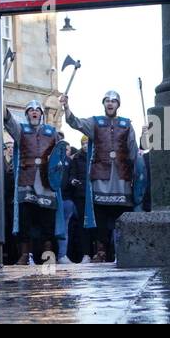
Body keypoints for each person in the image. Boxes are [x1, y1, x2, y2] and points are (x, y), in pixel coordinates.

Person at [64, 90, 139, 262]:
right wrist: (67, 107)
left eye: (114, 101)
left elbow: (133, 151)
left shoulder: (126, 124)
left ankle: (122, 250)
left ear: (118, 104)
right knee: (101, 216)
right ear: (103, 104)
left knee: (122, 215)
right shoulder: (95, 123)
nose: (110, 103)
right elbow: (75, 122)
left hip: (121, 177)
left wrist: (135, 175)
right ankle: (101, 251)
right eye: (107, 101)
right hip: (101, 175)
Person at [3, 101, 65, 265]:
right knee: (25, 222)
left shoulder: (52, 132)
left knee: (47, 223)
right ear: (27, 114)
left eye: (38, 110)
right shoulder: (21, 130)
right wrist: (0, 100)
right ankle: (25, 255)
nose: (35, 112)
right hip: (27, 181)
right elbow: (7, 120)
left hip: (46, 182)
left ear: (42, 115)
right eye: (31, 110)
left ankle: (48, 257)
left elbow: (60, 154)